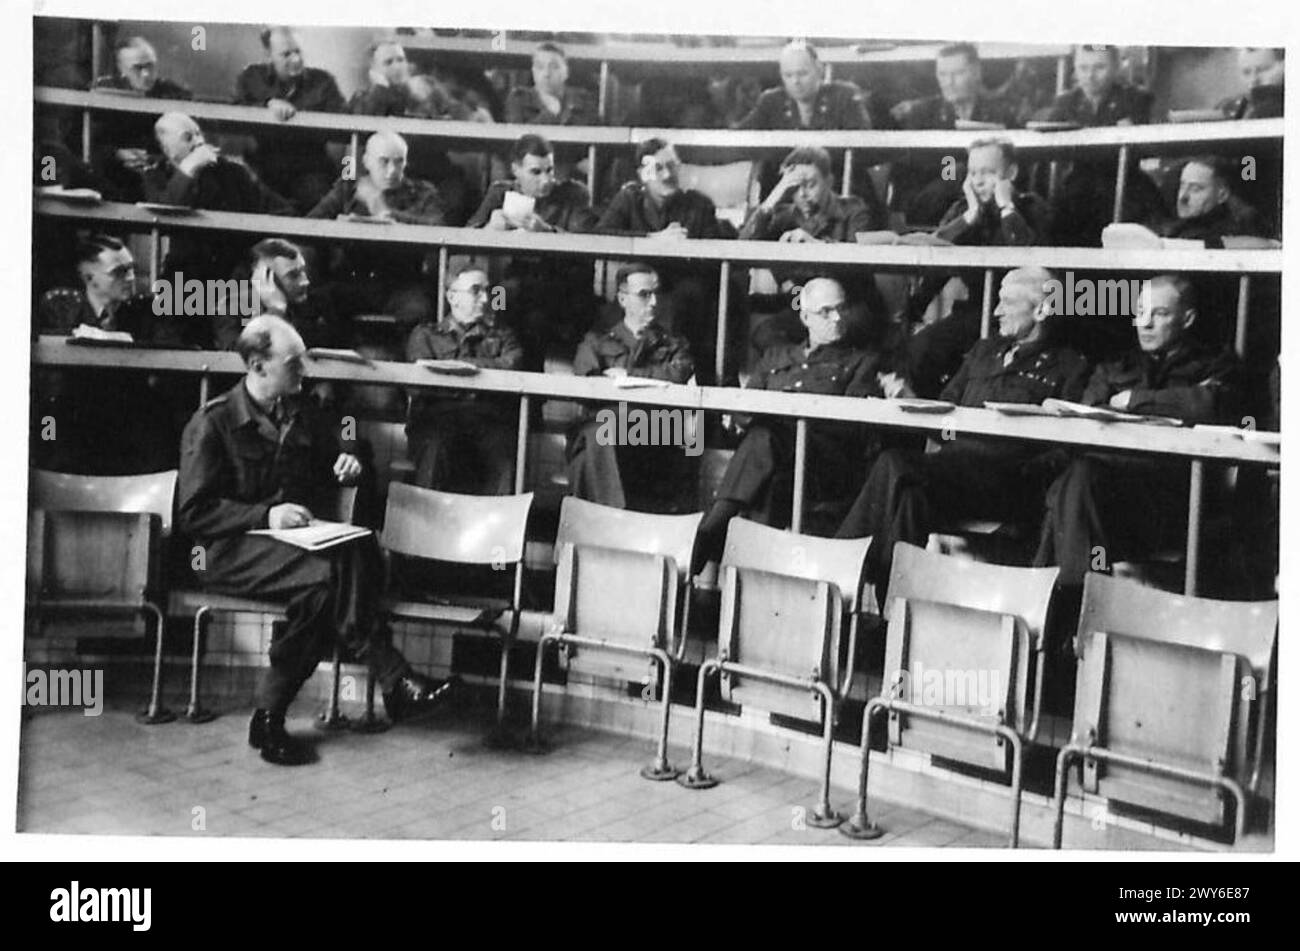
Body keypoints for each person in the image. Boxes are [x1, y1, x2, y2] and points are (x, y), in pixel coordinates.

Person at [178, 316, 454, 765]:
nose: (303, 370)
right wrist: (265, 514)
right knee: (328, 574)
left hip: (289, 554)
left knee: (338, 568)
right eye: (293, 362)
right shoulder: (213, 423)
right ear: (257, 365)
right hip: (222, 550)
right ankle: (393, 677)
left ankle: (270, 717)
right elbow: (193, 513)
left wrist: (348, 462)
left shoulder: (304, 413)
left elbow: (346, 447)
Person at [835, 267, 1090, 595]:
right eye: (998, 301)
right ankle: (893, 611)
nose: (996, 311)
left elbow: (1064, 452)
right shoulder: (983, 353)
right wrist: (911, 401)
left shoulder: (1070, 367)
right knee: (910, 500)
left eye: (1008, 303)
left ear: (1042, 309)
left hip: (1009, 484)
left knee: (895, 461)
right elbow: (946, 427)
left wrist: (1021, 460)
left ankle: (843, 571)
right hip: (954, 473)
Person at [1035, 275, 1242, 599]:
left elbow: (1208, 405)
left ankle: (1062, 607)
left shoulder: (1216, 364)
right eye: (1140, 311)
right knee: (1074, 483)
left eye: (1159, 313)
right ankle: (1079, 603)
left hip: (1175, 502)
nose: (1144, 323)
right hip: (1108, 499)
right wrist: (1173, 402)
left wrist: (1134, 401)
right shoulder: (1116, 364)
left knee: (1071, 489)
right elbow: (1088, 413)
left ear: (1187, 319)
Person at [695, 278, 883, 567]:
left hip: (823, 466)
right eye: (826, 311)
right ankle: (752, 576)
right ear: (805, 317)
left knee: (766, 438)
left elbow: (852, 429)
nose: (837, 318)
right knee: (771, 477)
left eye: (841, 309)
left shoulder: (862, 362)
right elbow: (743, 410)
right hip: (775, 463)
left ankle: (708, 534)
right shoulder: (776, 356)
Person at [902, 138, 1052, 398]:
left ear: (1011, 173)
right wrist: (969, 217)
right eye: (973, 173)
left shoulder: (1031, 208)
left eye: (988, 173)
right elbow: (935, 252)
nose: (979, 181)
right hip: (973, 312)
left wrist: (1006, 208)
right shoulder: (962, 210)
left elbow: (1031, 258)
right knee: (919, 350)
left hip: (1019, 313)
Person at [33, 236, 185, 475]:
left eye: (132, 270)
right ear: (89, 278)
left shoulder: (146, 310)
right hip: (75, 416)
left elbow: (170, 350)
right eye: (119, 272)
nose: (131, 279)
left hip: (128, 416)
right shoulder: (61, 308)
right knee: (48, 428)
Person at [596, 138, 729, 379]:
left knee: (693, 302)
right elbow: (599, 235)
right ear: (643, 175)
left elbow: (714, 263)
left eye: (673, 166)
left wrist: (682, 251)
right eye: (658, 168)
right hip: (640, 291)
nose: (668, 174)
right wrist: (651, 239)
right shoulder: (629, 199)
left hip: (688, 297)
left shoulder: (698, 205)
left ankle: (707, 411)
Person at [567, 264, 695, 509]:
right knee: (596, 436)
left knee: (691, 427)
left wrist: (628, 375)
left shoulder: (675, 344)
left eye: (658, 293)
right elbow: (585, 385)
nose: (655, 302)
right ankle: (613, 517)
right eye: (645, 295)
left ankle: (604, 522)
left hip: (656, 427)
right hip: (610, 424)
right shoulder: (597, 341)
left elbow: (679, 373)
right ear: (623, 299)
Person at [739, 146, 887, 353]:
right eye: (794, 188)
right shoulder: (783, 217)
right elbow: (742, 246)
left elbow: (859, 266)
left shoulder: (854, 210)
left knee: (842, 330)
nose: (803, 195)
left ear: (829, 181)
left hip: (850, 303)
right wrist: (775, 196)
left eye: (810, 185)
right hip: (801, 304)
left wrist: (816, 246)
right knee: (766, 333)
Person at [467, 133, 598, 360]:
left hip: (559, 287)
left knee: (531, 316)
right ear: (516, 170)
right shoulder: (500, 192)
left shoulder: (573, 194)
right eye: (536, 172)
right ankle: (500, 372)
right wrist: (489, 228)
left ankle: (528, 384)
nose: (546, 180)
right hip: (508, 285)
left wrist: (546, 232)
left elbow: (585, 244)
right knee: (497, 302)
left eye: (550, 170)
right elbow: (465, 238)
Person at [405, 265, 524, 494]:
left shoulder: (504, 336)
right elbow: (418, 388)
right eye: (476, 290)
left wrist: (457, 371)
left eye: (487, 290)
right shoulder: (426, 335)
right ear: (452, 297)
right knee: (434, 447)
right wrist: (480, 379)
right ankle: (427, 525)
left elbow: (512, 367)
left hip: (486, 421)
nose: (486, 298)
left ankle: (499, 527)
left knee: (503, 452)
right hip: (438, 419)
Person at [734, 40, 889, 214]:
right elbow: (739, 138)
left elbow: (864, 146)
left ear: (819, 70)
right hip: (786, 195)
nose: (796, 81)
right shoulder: (770, 101)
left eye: (802, 73)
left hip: (839, 192)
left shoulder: (845, 95)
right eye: (788, 75)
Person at [307, 131, 444, 324]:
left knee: (419, 312)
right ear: (366, 161)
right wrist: (338, 227)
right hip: (352, 279)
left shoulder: (423, 192)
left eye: (399, 162)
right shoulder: (347, 189)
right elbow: (310, 224)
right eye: (384, 162)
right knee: (319, 303)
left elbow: (438, 228)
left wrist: (389, 215)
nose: (392, 170)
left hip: (402, 284)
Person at [143, 113, 294, 281]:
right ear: (166, 149)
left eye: (199, 134)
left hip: (234, 273)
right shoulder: (155, 174)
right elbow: (164, 210)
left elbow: (280, 209)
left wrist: (257, 253)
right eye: (188, 138)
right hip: (184, 275)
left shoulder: (232, 172)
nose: (199, 142)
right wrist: (188, 169)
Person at [1046, 45, 1166, 247]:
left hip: (1126, 184)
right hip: (1078, 186)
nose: (1090, 76)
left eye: (1099, 68)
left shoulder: (1135, 99)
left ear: (1116, 67)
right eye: (1083, 68)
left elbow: (1150, 147)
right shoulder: (1065, 102)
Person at [890, 43, 1020, 226]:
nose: (949, 82)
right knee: (955, 171)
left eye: (957, 74)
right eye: (943, 75)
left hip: (986, 193)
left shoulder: (1001, 114)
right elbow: (904, 171)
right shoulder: (921, 114)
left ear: (976, 73)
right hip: (934, 195)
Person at [233, 26, 347, 211]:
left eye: (298, 51)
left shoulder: (323, 81)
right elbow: (235, 111)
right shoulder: (251, 77)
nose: (296, 59)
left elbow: (343, 120)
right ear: (269, 55)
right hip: (264, 169)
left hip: (311, 171)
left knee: (321, 207)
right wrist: (267, 105)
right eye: (286, 54)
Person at [90, 36, 193, 201]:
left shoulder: (174, 95)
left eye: (150, 66)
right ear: (121, 70)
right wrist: (117, 154)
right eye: (137, 68)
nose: (146, 74)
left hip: (164, 182)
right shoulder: (104, 94)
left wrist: (157, 159)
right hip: (116, 181)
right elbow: (91, 144)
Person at [503, 43, 599, 125]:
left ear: (566, 72)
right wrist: (549, 115)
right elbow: (518, 138)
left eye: (554, 67)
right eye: (540, 67)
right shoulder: (519, 99)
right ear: (533, 71)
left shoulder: (583, 100)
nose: (546, 73)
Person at [1218, 47, 1284, 119]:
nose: (1253, 79)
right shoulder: (1231, 107)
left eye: (1263, 70)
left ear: (1283, 67)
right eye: (1246, 72)